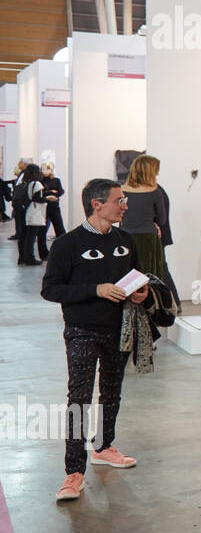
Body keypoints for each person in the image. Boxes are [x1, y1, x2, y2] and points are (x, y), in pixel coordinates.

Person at [41, 178, 150, 501]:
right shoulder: (66, 244)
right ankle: (73, 472)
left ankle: (103, 446)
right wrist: (96, 289)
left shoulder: (126, 239)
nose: (125, 205)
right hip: (82, 330)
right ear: (97, 204)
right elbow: (51, 289)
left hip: (119, 329)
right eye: (120, 200)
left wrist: (141, 293)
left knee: (112, 394)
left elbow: (138, 276)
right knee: (79, 398)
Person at [120, 155, 171, 279]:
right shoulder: (155, 192)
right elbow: (162, 219)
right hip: (148, 238)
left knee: (129, 275)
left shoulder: (122, 191)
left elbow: (119, 213)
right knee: (151, 275)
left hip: (126, 236)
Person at [17, 163, 45, 266]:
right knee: (31, 237)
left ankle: (22, 258)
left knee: (24, 236)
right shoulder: (36, 184)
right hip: (35, 212)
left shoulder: (25, 183)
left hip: (25, 212)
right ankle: (30, 258)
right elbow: (38, 199)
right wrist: (48, 198)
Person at [41, 162, 65, 243]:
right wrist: (51, 192)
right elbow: (40, 193)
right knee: (42, 229)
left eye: (47, 169)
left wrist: (49, 192)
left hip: (54, 206)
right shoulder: (40, 181)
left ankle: (63, 244)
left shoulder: (56, 180)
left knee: (59, 226)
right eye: (43, 169)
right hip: (43, 206)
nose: (45, 171)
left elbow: (60, 192)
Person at [8, 159, 28, 244]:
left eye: (20, 163)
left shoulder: (26, 174)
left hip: (20, 201)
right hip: (17, 200)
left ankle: (20, 234)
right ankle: (18, 234)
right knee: (17, 217)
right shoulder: (22, 173)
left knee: (20, 218)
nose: (18, 164)